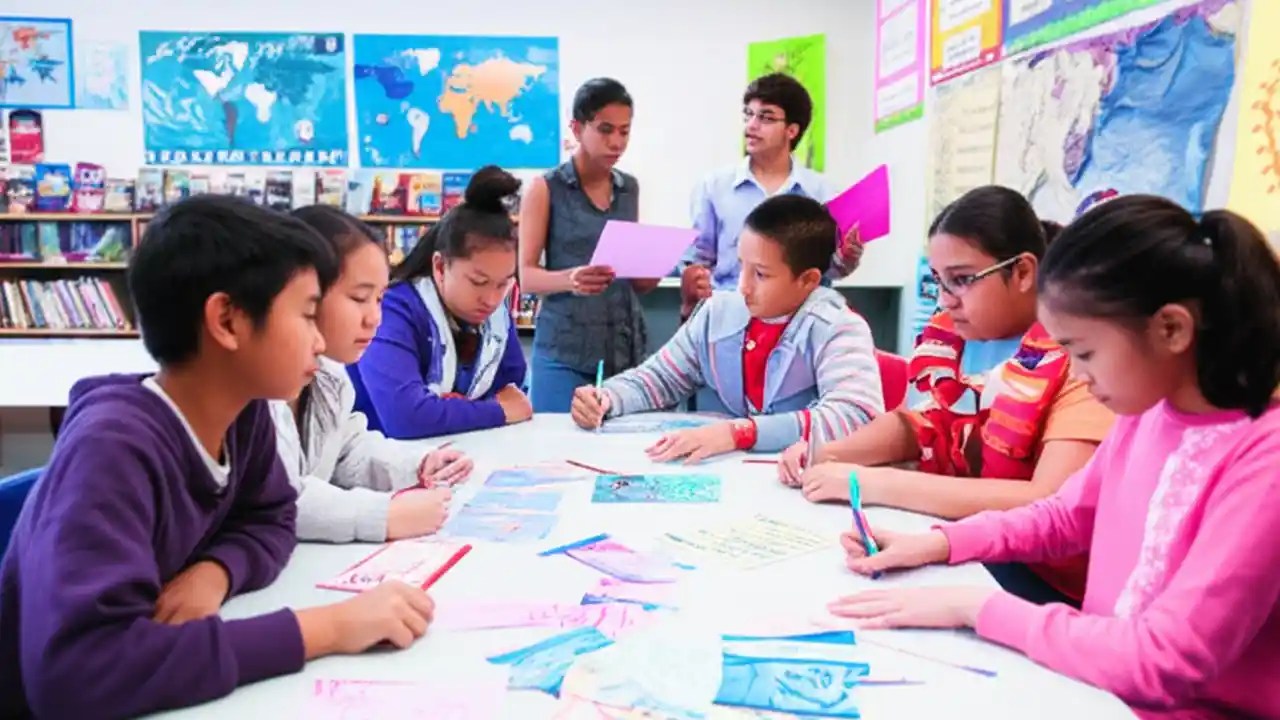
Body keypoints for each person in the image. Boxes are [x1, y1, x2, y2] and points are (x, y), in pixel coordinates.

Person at [831, 195, 1280, 719]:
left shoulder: (1263, 460)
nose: (1078, 374)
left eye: (1085, 353)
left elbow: (1166, 659)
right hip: (1097, 691)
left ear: (1171, 330)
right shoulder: (1148, 410)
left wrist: (979, 607)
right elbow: (1067, 516)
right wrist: (939, 543)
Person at [0, 196, 437, 718]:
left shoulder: (243, 415)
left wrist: (217, 571)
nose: (321, 340)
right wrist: (328, 627)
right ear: (227, 321)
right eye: (306, 314)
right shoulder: (111, 451)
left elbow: (272, 516)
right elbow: (80, 672)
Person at [781, 187, 1113, 605]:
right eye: (938, 281)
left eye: (962, 280)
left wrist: (868, 481)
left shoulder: (1083, 360)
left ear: (1023, 273)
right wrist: (828, 453)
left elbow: (1045, 501)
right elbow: (921, 424)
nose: (944, 300)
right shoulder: (955, 338)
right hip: (977, 543)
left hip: (1050, 581)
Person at [570, 194, 883, 463]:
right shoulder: (718, 313)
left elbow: (856, 417)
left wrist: (740, 433)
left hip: (806, 483)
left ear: (808, 280)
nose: (743, 286)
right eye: (741, 265)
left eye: (761, 274)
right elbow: (660, 378)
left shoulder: (838, 327)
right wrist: (607, 397)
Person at [271, 205, 474, 544]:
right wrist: (384, 515)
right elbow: (277, 497)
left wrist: (417, 465)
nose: (374, 318)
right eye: (359, 298)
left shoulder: (330, 375)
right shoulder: (258, 389)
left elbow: (347, 451)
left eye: (379, 299)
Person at [350, 167, 531, 439]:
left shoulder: (494, 315)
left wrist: (448, 410)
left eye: (504, 283)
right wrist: (497, 411)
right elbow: (406, 418)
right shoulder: (392, 310)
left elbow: (513, 389)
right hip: (375, 456)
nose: (492, 299)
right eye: (478, 282)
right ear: (439, 266)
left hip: (450, 451)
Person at [519, 78, 659, 412]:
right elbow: (527, 277)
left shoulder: (628, 189)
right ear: (577, 128)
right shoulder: (546, 188)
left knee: (626, 440)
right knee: (557, 440)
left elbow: (633, 278)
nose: (616, 142)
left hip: (623, 348)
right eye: (605, 130)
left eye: (624, 131)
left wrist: (651, 270)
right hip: (564, 350)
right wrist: (571, 279)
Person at [681, 72, 864, 319]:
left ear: (792, 130)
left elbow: (830, 270)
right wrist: (695, 281)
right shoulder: (714, 187)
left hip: (801, 322)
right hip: (732, 318)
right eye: (748, 114)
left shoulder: (823, 193)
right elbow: (699, 260)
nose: (751, 125)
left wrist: (847, 259)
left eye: (765, 117)